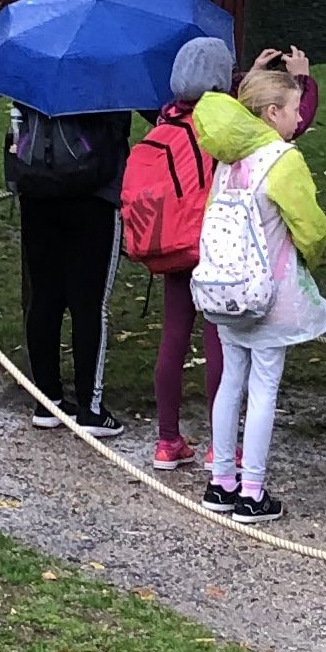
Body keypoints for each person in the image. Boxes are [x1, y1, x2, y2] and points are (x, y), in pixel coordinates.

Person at [189, 52, 326, 514]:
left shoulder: (229, 158)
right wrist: (310, 257)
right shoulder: (283, 158)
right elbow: (311, 228)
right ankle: (252, 489)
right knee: (265, 385)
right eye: (293, 109)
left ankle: (220, 480)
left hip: (227, 291)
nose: (298, 118)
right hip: (270, 291)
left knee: (231, 380)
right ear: (273, 113)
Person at [123, 35, 229, 468]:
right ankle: (219, 446)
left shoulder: (163, 124)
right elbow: (287, 129)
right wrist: (303, 84)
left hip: (172, 247)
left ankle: (168, 440)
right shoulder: (221, 128)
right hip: (214, 246)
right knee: (217, 340)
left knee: (173, 338)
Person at [3, 78, 132, 427]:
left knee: (45, 297)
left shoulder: (33, 62)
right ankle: (91, 407)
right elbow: (117, 130)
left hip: (37, 190)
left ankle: (47, 401)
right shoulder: (110, 70)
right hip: (94, 196)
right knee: (89, 303)